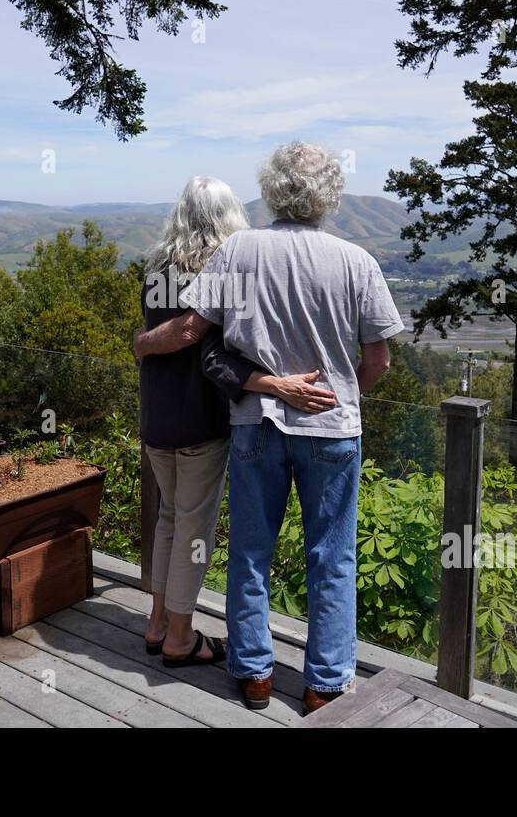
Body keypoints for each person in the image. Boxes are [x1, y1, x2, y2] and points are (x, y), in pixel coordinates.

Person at [134, 142, 404, 714]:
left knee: (251, 551)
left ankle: (254, 672)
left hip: (254, 425)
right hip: (330, 429)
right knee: (332, 556)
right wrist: (340, 397)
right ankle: (323, 682)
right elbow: (377, 359)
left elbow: (197, 331)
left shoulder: (237, 251)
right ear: (330, 192)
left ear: (272, 188)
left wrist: (144, 344)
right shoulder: (357, 261)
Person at [137, 175, 337, 668]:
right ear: (229, 216)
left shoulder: (157, 269)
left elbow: (166, 334)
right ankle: (181, 638)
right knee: (195, 530)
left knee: (168, 519)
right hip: (202, 418)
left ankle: (158, 622)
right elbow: (207, 340)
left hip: (157, 416)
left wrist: (141, 343)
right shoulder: (225, 270)